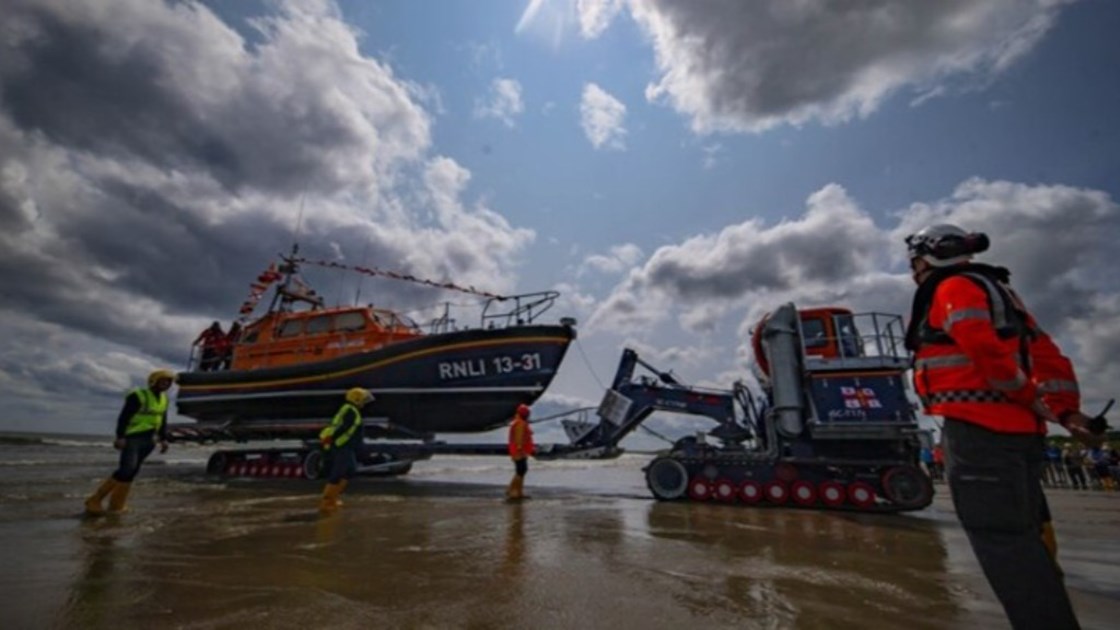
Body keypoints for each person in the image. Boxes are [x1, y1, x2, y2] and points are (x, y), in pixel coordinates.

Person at [904, 224, 1100, 630]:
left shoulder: (953, 288)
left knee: (1005, 545)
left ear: (926, 259)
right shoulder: (1004, 295)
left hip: (980, 432)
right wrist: (1066, 411)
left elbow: (981, 348)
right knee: (1029, 539)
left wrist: (1024, 395)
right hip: (1021, 435)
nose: (913, 273)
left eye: (914, 264)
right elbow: (1049, 357)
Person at [84, 369, 176, 515]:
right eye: (163, 381)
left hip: (149, 439)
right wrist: (120, 436)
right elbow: (124, 417)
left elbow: (162, 420)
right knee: (126, 469)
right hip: (132, 438)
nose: (166, 384)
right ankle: (94, 500)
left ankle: (116, 505)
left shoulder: (164, 399)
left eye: (169, 382)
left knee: (132, 472)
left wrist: (163, 439)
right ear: (154, 381)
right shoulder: (138, 395)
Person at [318, 387, 373, 514]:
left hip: (347, 446)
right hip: (341, 446)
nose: (365, 402)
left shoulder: (352, 410)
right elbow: (343, 428)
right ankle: (327, 502)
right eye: (363, 399)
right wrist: (331, 438)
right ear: (357, 399)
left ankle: (334, 498)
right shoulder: (350, 410)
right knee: (339, 472)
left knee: (350, 470)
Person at [505, 404, 535, 501]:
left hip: (520, 451)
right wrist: (520, 449)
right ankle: (512, 491)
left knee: (521, 471)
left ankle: (517, 492)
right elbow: (519, 438)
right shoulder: (520, 423)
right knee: (520, 471)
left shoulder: (519, 422)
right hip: (519, 451)